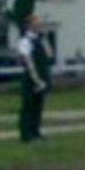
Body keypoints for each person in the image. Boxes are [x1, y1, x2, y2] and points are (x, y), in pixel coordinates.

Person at [16, 14, 52, 142]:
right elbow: (28, 61)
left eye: (39, 25)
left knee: (38, 106)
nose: (39, 27)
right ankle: (26, 134)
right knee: (28, 107)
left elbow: (49, 55)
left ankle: (36, 131)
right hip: (31, 78)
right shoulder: (25, 41)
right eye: (36, 25)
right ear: (29, 26)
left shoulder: (41, 40)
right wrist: (36, 80)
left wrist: (45, 40)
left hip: (42, 76)